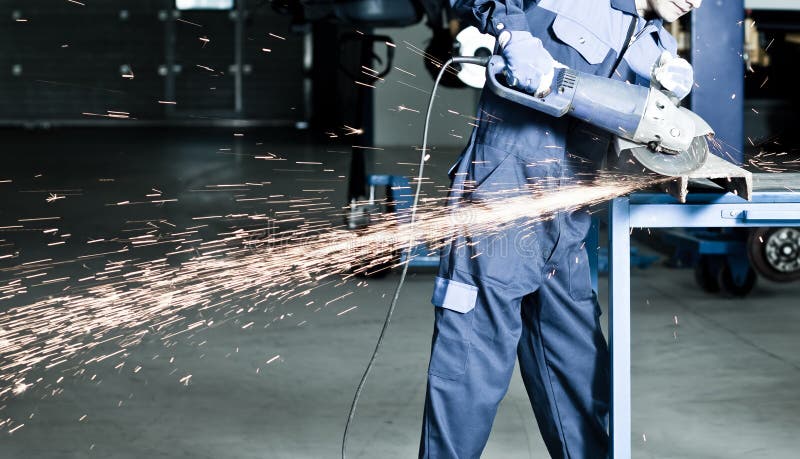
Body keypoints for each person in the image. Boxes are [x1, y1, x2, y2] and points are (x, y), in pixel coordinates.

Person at [420, 1, 701, 458]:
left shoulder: (656, 47)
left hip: (569, 225)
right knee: (470, 374)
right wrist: (512, 34)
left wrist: (668, 142)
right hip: (503, 203)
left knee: (580, 377)